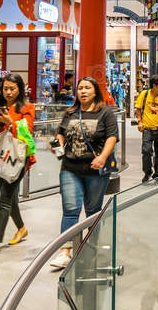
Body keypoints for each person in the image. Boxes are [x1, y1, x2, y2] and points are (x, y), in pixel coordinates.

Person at [49, 76, 119, 274]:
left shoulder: (105, 113)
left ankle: (92, 248)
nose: (83, 91)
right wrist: (58, 144)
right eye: (80, 88)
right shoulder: (71, 113)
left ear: (95, 91)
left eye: (87, 87)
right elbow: (61, 133)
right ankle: (65, 251)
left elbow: (112, 137)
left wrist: (103, 157)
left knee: (93, 210)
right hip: (70, 168)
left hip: (95, 170)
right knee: (70, 210)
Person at [0, 74, 35, 260]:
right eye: (5, 89)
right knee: (9, 198)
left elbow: (27, 133)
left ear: (20, 89)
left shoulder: (27, 108)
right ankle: (21, 228)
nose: (9, 92)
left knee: (4, 198)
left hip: (19, 158)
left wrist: (10, 122)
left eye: (12, 88)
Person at [134, 73, 158, 184]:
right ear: (154, 85)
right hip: (147, 129)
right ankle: (147, 172)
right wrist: (140, 121)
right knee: (146, 151)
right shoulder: (144, 94)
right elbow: (138, 109)